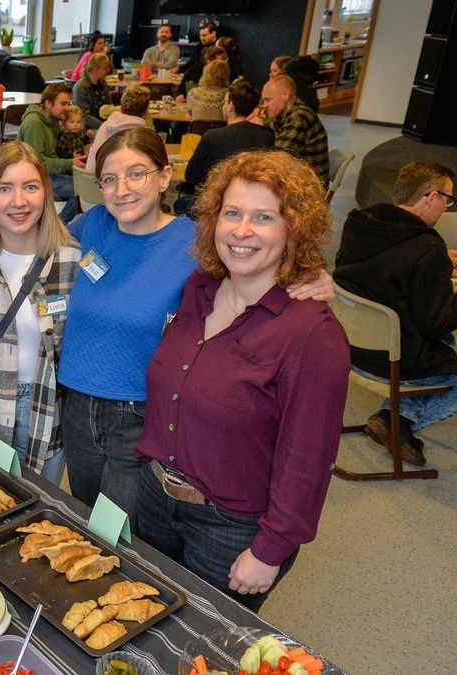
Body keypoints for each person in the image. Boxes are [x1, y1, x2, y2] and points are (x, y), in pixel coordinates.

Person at [59, 128, 332, 528]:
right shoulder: (92, 224)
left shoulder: (195, 241)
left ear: (165, 176)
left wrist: (319, 277)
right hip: (77, 404)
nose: (122, 189)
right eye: (109, 179)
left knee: (121, 533)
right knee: (84, 520)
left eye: (137, 174)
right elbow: (26, 238)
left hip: (140, 411)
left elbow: (258, 262)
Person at [136, 149, 348, 612]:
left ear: (295, 229)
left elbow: (308, 458)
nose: (242, 230)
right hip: (155, 497)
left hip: (230, 527)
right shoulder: (200, 288)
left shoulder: (312, 334)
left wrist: (271, 549)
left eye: (264, 217)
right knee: (148, 620)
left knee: (205, 645)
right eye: (232, 213)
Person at [0, 142, 80, 483]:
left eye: (30, 187)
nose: (19, 201)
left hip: (46, 413)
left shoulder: (72, 260)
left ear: (46, 193)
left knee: (40, 514)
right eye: (4, 188)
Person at [334, 162, 457, 466]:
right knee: (447, 347)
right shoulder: (426, 248)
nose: (447, 207)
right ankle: (395, 422)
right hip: (392, 358)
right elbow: (435, 323)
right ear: (430, 196)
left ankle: (394, 420)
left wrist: (440, 266)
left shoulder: (361, 222)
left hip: (349, 344)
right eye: (448, 200)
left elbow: (388, 272)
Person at [175, 79, 275, 214]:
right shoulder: (267, 135)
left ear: (230, 106)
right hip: (253, 202)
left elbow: (191, 176)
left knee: (180, 203)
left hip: (216, 206)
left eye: (224, 101)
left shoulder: (213, 137)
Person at [18, 82, 82, 223]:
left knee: (84, 182)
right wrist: (70, 163)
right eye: (63, 104)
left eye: (68, 103)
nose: (67, 108)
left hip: (46, 173)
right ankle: (59, 227)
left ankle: (57, 225)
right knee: (82, 190)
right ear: (48, 103)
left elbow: (55, 151)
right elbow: (37, 163)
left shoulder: (53, 120)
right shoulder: (34, 124)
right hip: (32, 176)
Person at [262, 76, 329, 188]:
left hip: (310, 187)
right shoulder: (285, 115)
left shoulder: (298, 118)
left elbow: (277, 160)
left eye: (268, 99)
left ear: (285, 95)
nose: (264, 105)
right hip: (299, 178)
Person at [83, 84, 150, 176]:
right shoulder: (142, 134)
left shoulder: (105, 125)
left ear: (121, 106)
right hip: (111, 186)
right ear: (146, 111)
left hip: (87, 182)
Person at [73, 53, 113, 131]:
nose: (108, 70)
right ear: (96, 70)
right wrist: (105, 126)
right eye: (105, 68)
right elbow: (85, 117)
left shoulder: (102, 83)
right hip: (89, 129)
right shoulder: (81, 87)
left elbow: (110, 107)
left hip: (104, 126)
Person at [179, 19, 219, 92]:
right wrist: (178, 69)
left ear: (213, 33)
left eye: (204, 35)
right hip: (195, 79)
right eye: (200, 35)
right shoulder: (199, 46)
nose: (202, 38)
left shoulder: (218, 48)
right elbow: (190, 63)